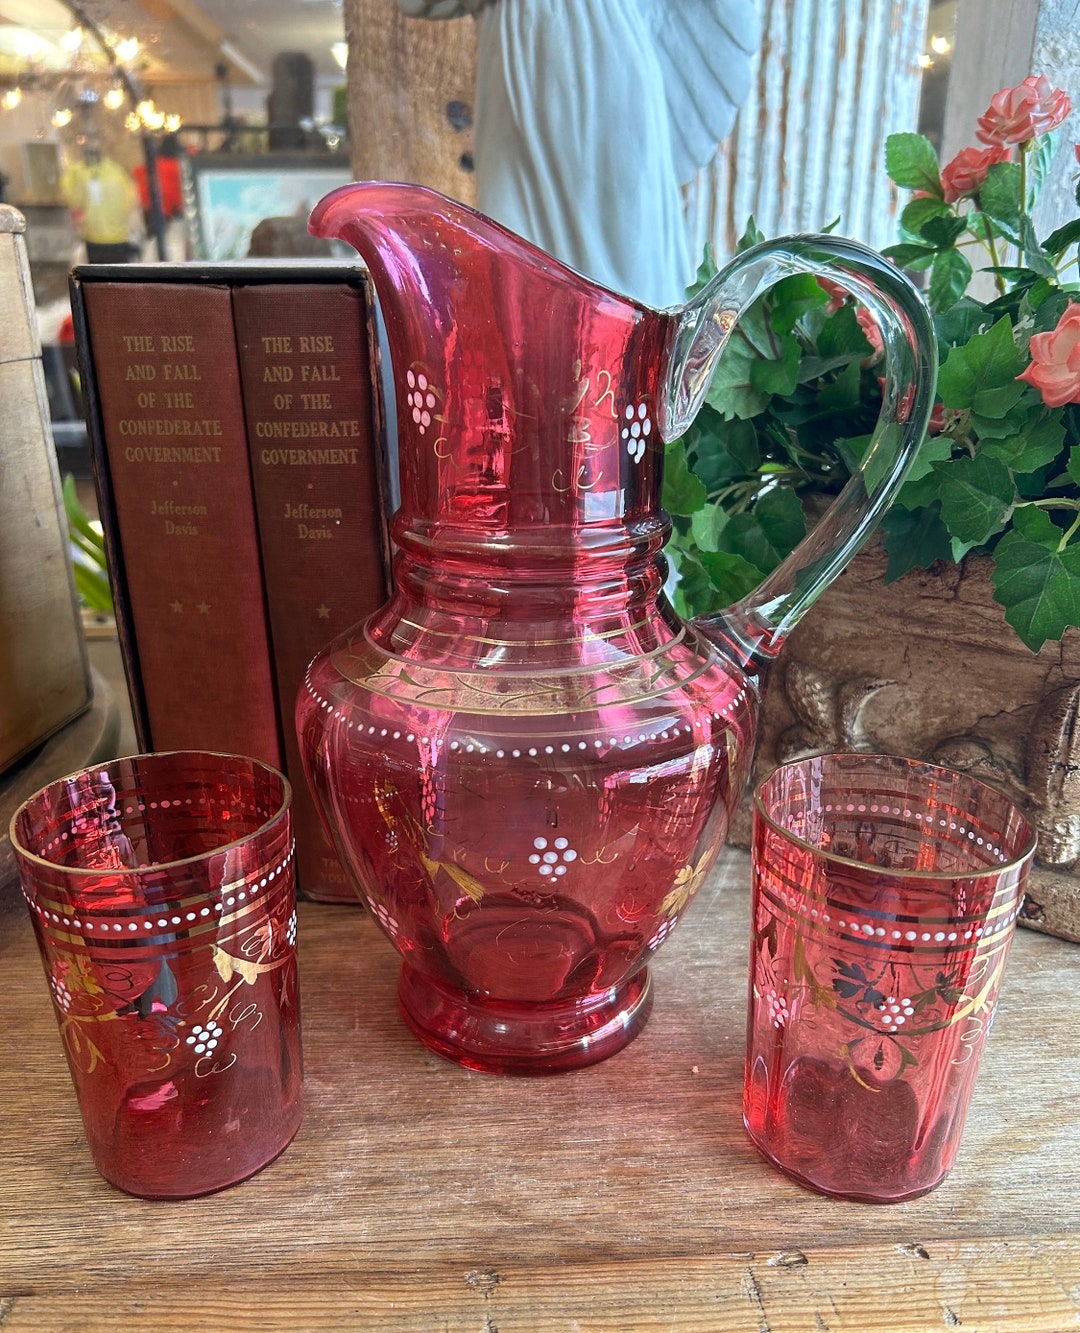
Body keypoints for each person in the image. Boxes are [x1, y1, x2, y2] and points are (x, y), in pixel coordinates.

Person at [397, 0, 761, 308]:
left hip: (601, 62)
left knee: (627, 263)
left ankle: (638, 382)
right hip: (513, 70)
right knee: (513, 257)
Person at [60, 143, 138, 264]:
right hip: (119, 237)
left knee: (98, 277)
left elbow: (73, 200)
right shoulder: (117, 171)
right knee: (120, 277)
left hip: (94, 237)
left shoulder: (76, 173)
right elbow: (130, 200)